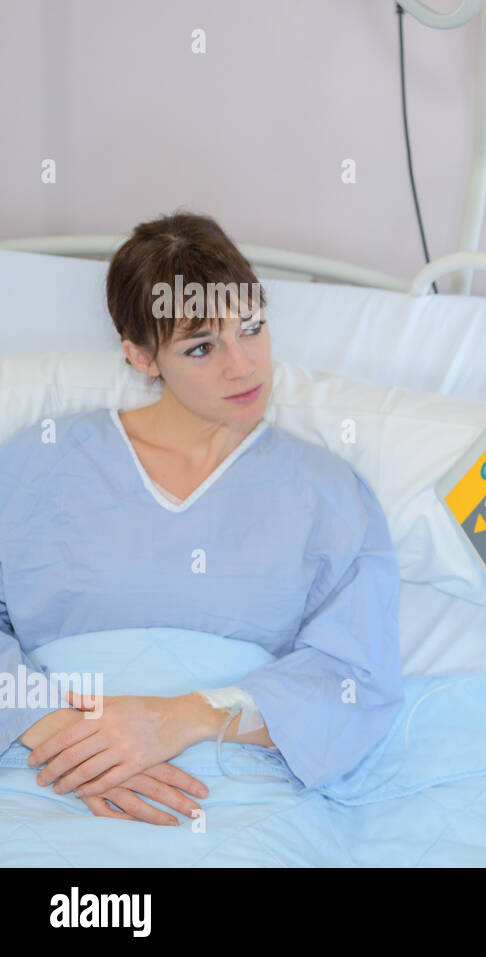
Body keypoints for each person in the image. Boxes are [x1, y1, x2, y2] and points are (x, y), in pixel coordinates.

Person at [0, 212, 403, 826]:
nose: (243, 367)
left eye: (252, 328)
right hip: (41, 768)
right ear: (140, 356)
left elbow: (355, 678)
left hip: (237, 780)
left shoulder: (329, 493)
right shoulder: (34, 463)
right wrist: (65, 734)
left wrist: (180, 718)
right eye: (201, 347)